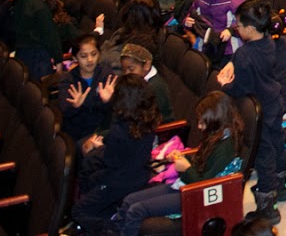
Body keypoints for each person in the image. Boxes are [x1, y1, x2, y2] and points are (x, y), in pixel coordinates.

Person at [114, 91, 245, 236]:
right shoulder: (216, 136)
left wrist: (186, 168)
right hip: (184, 185)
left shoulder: (225, 148)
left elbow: (204, 186)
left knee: (136, 210)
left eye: (203, 122)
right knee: (129, 200)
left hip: (194, 196)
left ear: (215, 120)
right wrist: (181, 158)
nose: (200, 127)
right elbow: (201, 160)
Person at [216, 0, 286, 220]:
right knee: (277, 143)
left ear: (250, 29)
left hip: (260, 108)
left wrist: (225, 84)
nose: (236, 29)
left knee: (263, 155)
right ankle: (283, 185)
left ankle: (267, 207)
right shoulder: (271, 41)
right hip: (275, 101)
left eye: (239, 25)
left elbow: (240, 88)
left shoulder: (244, 54)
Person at [70, 73, 159, 232]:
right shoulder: (148, 119)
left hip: (117, 180)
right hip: (139, 174)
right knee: (90, 172)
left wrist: (100, 148)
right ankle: (107, 213)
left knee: (78, 210)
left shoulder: (119, 127)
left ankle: (112, 229)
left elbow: (110, 161)